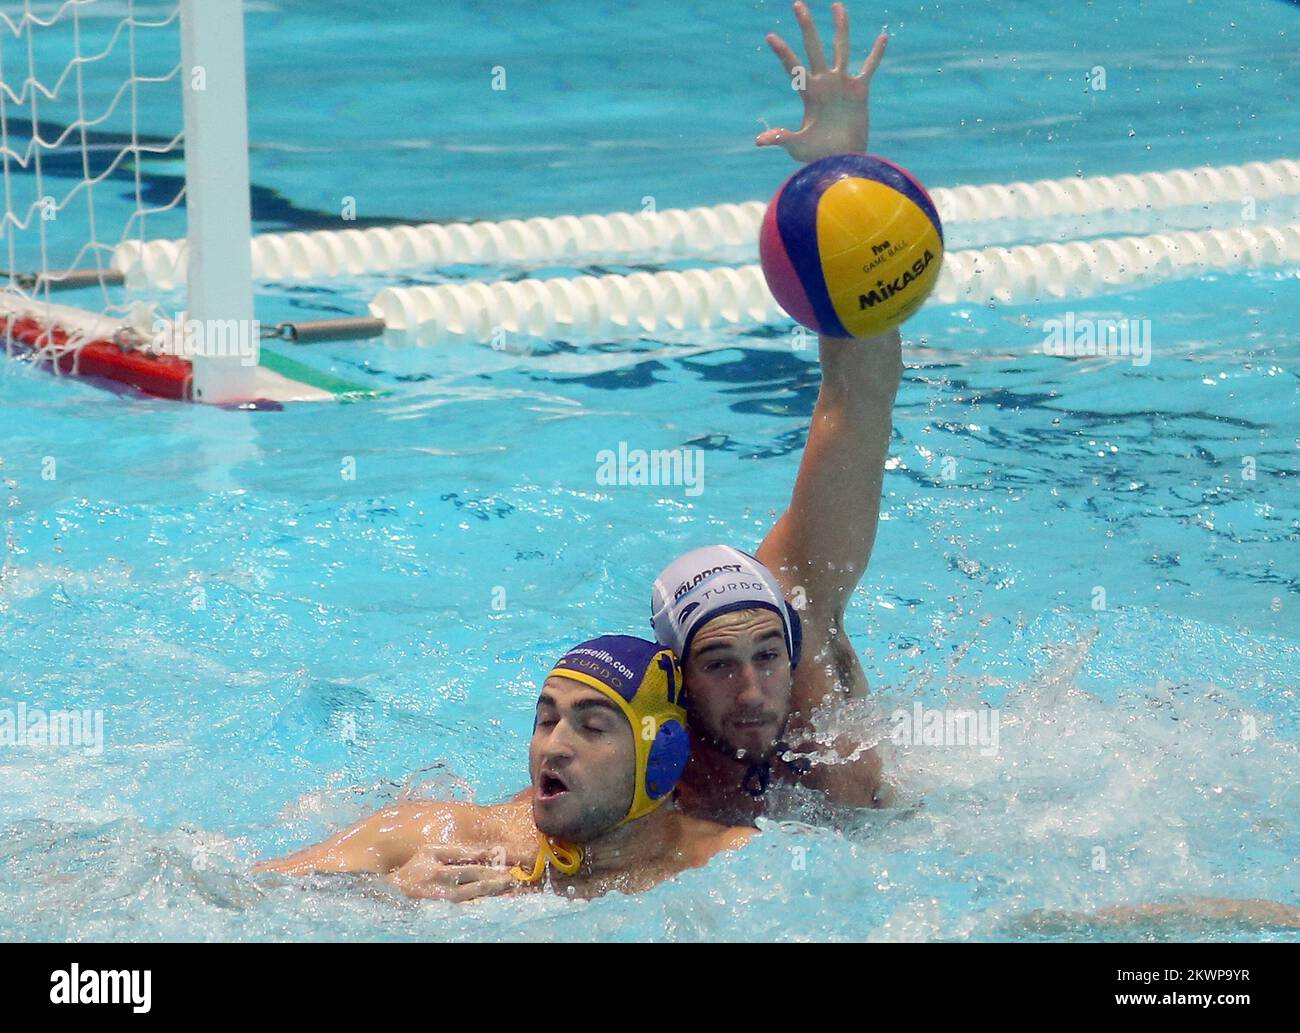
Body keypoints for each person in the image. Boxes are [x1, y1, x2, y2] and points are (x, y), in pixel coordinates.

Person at [649, 2, 900, 824]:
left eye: (766, 655)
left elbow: (856, 405)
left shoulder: (804, 618)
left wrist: (844, 173)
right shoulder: (660, 769)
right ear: (678, 680)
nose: (755, 689)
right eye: (719, 665)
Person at [254, 636, 752, 901]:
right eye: (546, 719)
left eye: (592, 727)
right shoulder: (446, 838)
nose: (552, 746)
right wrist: (385, 900)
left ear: (661, 760)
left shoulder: (730, 865)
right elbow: (233, 891)